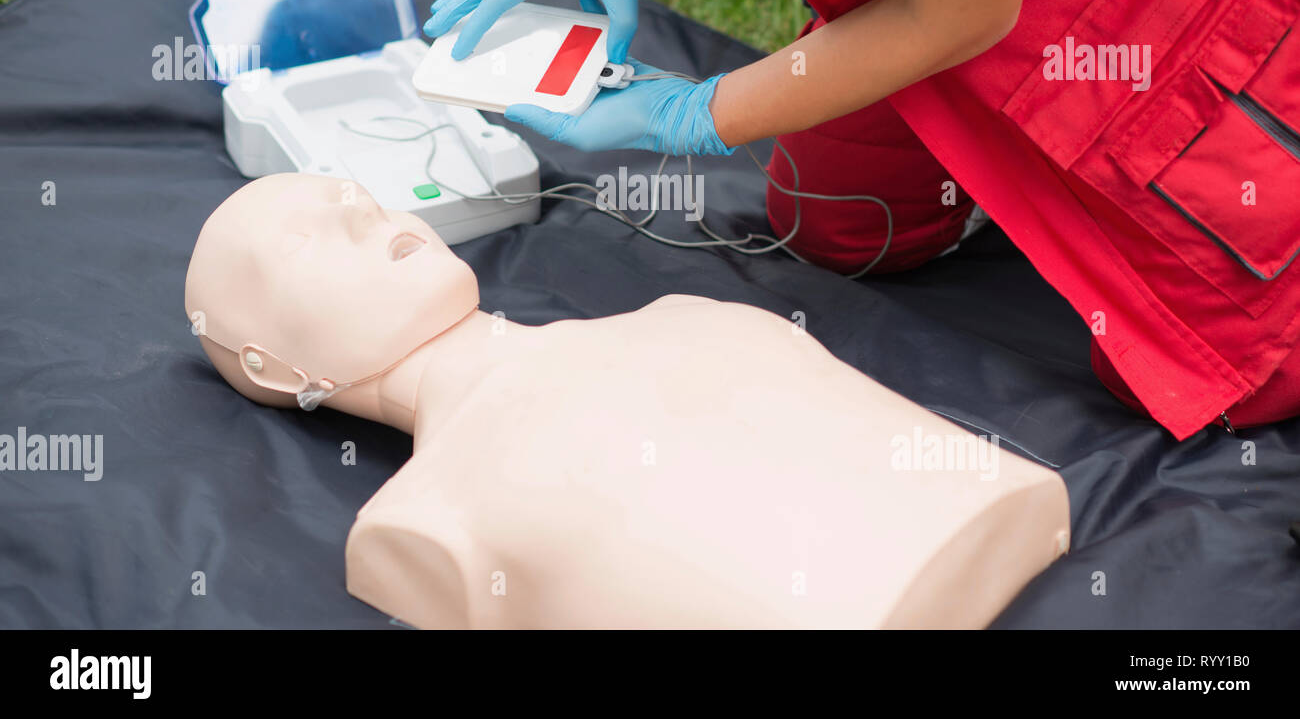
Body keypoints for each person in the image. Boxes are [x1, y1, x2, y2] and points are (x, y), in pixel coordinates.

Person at [425, 0, 1300, 440]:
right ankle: (997, 160)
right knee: (841, 219)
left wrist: (695, 116)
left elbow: (958, 14)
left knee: (1218, 366)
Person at [183, 173, 1069, 628]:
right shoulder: (421, 524)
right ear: (268, 365)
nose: (384, 227)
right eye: (318, 241)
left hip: (1003, 511)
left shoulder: (681, 314)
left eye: (367, 205)